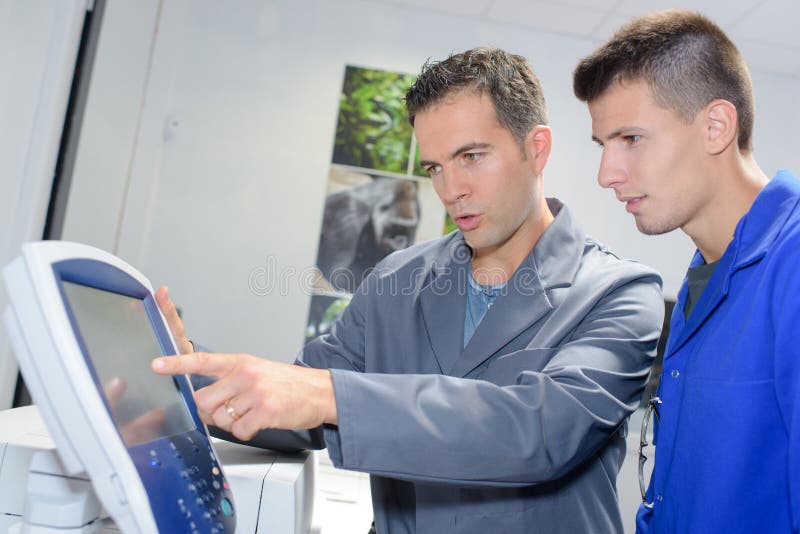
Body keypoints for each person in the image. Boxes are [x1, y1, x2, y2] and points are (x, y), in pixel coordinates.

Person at [153, 47, 663, 533]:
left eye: (471, 156)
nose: (450, 190)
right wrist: (187, 370)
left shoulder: (620, 295)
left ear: (537, 148)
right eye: (435, 167)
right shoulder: (399, 279)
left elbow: (538, 433)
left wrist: (330, 395)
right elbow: (297, 404)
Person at [573, 10, 800, 533]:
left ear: (716, 126)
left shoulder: (790, 267)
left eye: (630, 139)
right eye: (602, 145)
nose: (607, 173)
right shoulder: (703, 278)